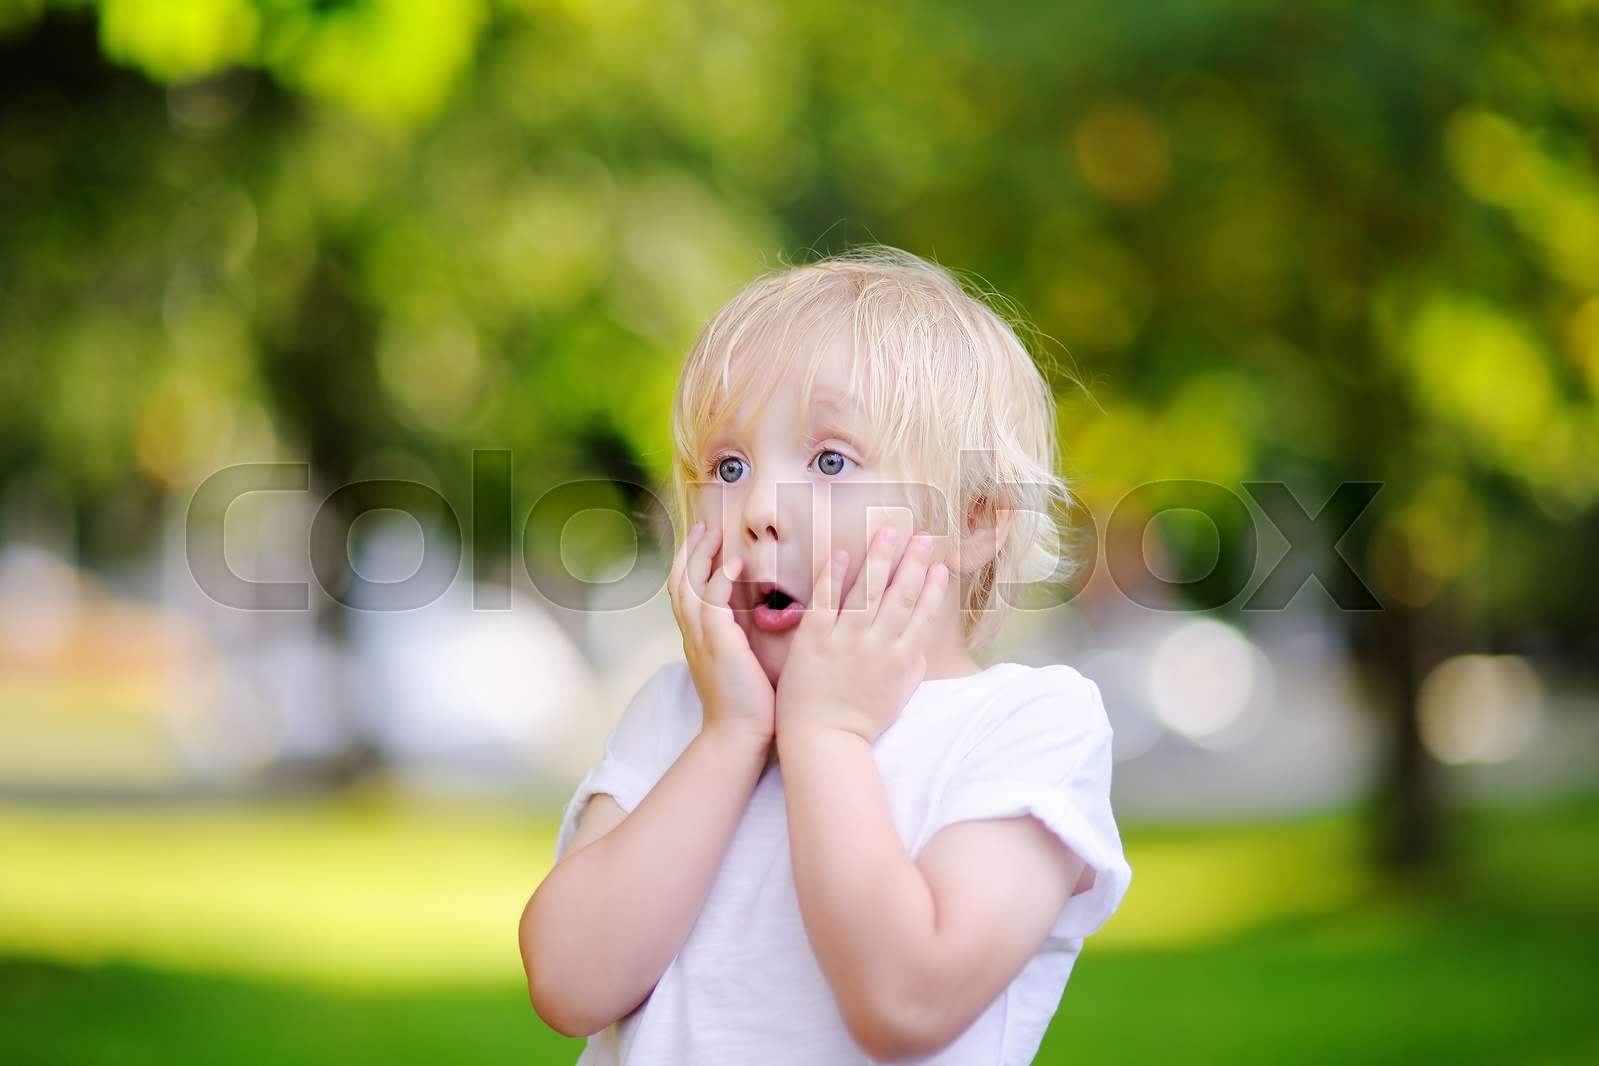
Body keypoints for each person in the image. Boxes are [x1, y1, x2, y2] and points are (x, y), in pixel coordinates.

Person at [519, 245, 1133, 1065]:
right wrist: (732, 734)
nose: (758, 509)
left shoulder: (1021, 728)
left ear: (977, 518)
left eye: (831, 461)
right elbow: (569, 984)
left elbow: (906, 1001)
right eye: (727, 467)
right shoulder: (679, 716)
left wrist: (825, 736)